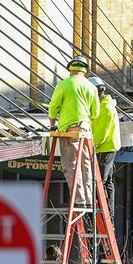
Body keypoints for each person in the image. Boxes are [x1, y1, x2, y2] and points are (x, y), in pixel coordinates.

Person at [48, 56, 99, 206]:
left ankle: (79, 200)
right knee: (85, 164)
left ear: (70, 70)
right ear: (85, 71)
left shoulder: (64, 85)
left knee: (70, 165)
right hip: (86, 129)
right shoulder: (92, 87)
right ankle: (89, 198)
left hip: (69, 129)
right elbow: (95, 114)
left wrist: (52, 125)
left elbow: (53, 108)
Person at [89, 77, 120, 216]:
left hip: (104, 149)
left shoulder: (106, 109)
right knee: (106, 183)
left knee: (100, 181)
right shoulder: (100, 107)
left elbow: (101, 134)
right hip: (104, 149)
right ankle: (107, 213)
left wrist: (88, 145)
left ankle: (104, 213)